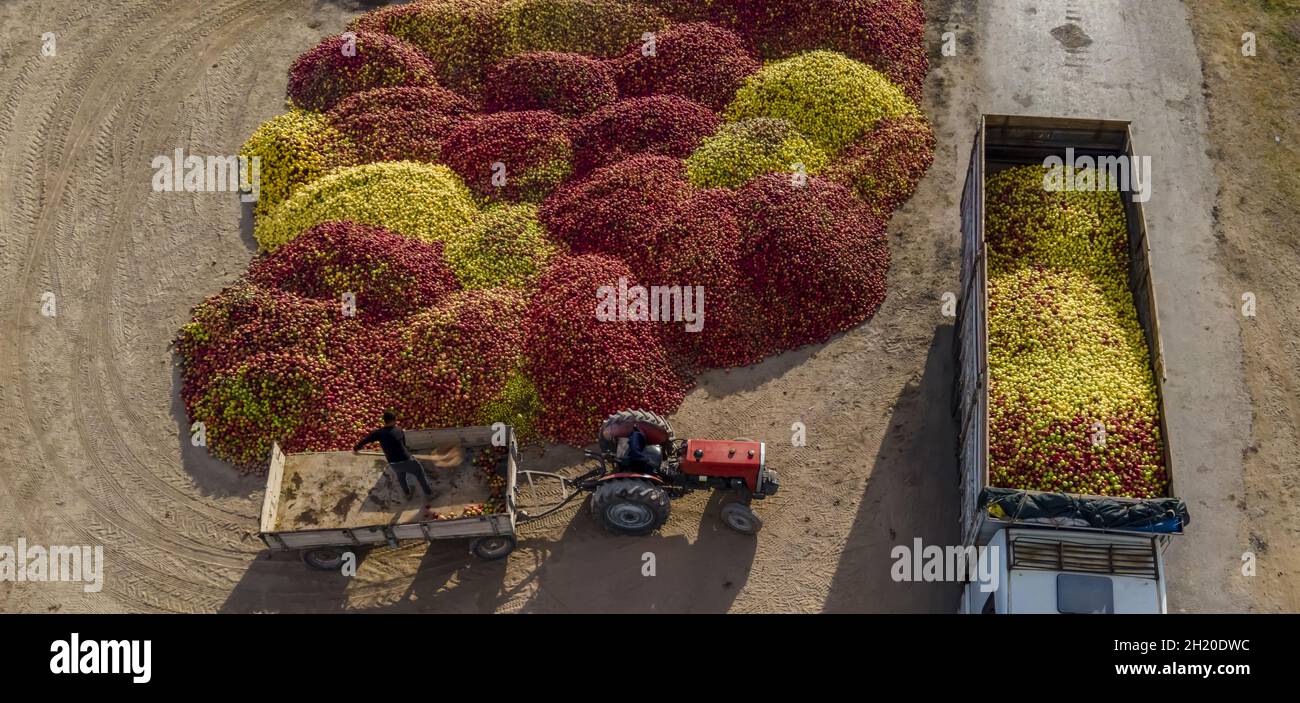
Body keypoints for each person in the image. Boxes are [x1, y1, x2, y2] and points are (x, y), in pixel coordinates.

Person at [353, 411, 432, 499]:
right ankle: (428, 494)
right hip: (407, 460)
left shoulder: (378, 433)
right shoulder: (399, 430)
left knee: (401, 478)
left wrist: (355, 449)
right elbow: (404, 445)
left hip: (393, 464)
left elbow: (365, 440)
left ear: (384, 421)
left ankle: (407, 494)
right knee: (420, 474)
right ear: (394, 420)